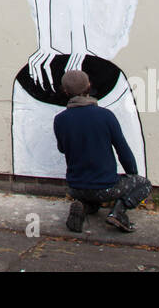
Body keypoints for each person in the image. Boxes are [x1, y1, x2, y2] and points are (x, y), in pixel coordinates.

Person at [54, 69, 151, 232]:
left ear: (65, 91)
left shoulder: (60, 120)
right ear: (89, 86)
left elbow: (62, 149)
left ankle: (83, 206)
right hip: (105, 187)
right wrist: (133, 174)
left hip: (75, 187)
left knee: (92, 198)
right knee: (144, 185)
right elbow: (123, 151)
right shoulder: (105, 116)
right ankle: (117, 213)